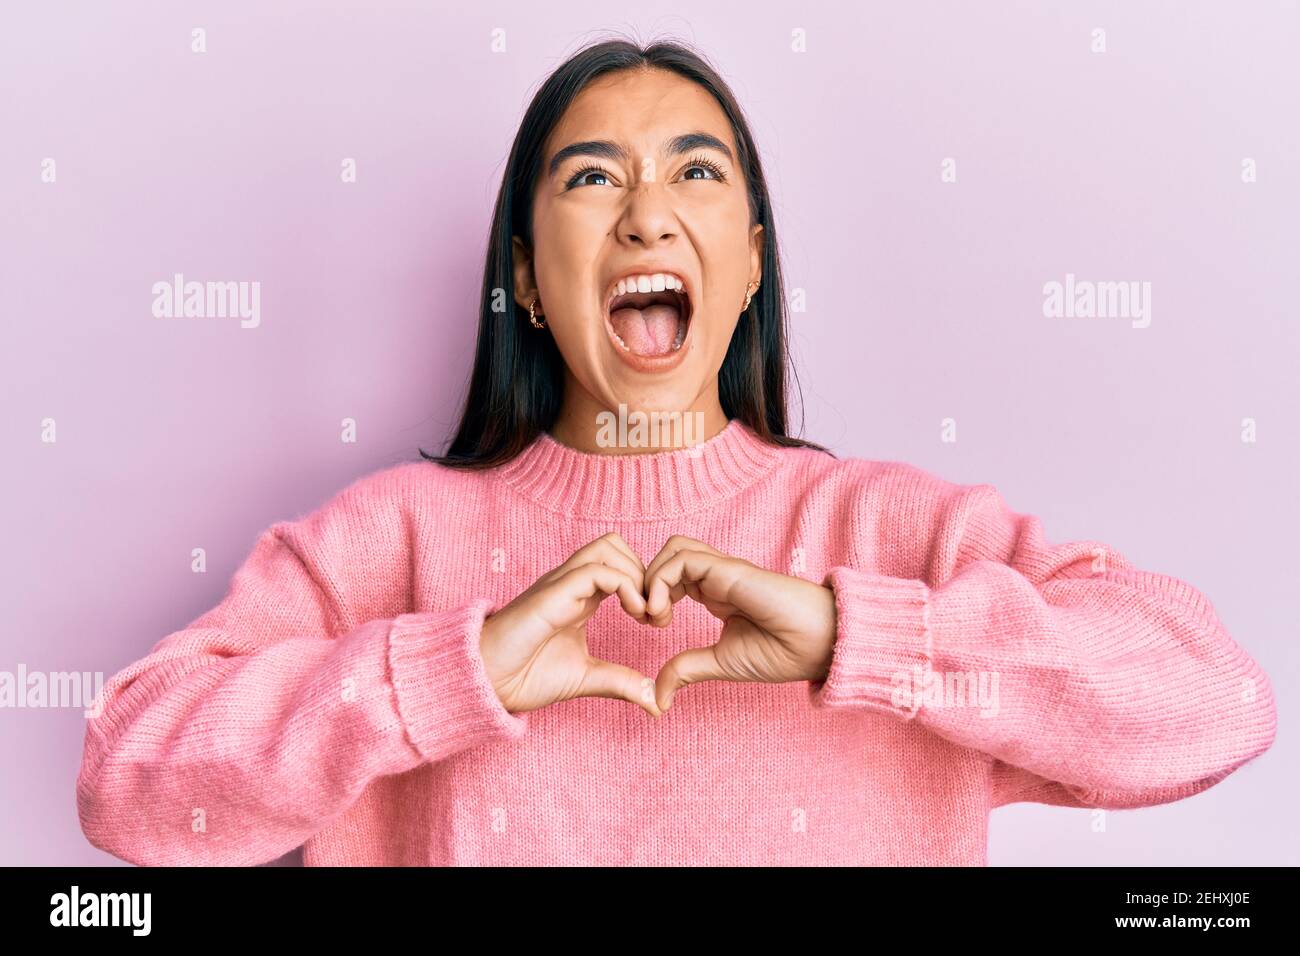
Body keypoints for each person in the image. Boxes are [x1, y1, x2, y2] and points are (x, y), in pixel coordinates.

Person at [76, 38, 1277, 866]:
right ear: (526, 282)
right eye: (592, 178)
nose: (646, 212)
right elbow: (125, 780)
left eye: (695, 173)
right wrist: (454, 675)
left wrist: (868, 638)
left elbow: (1214, 700)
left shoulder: (897, 537)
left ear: (749, 262)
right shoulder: (385, 540)